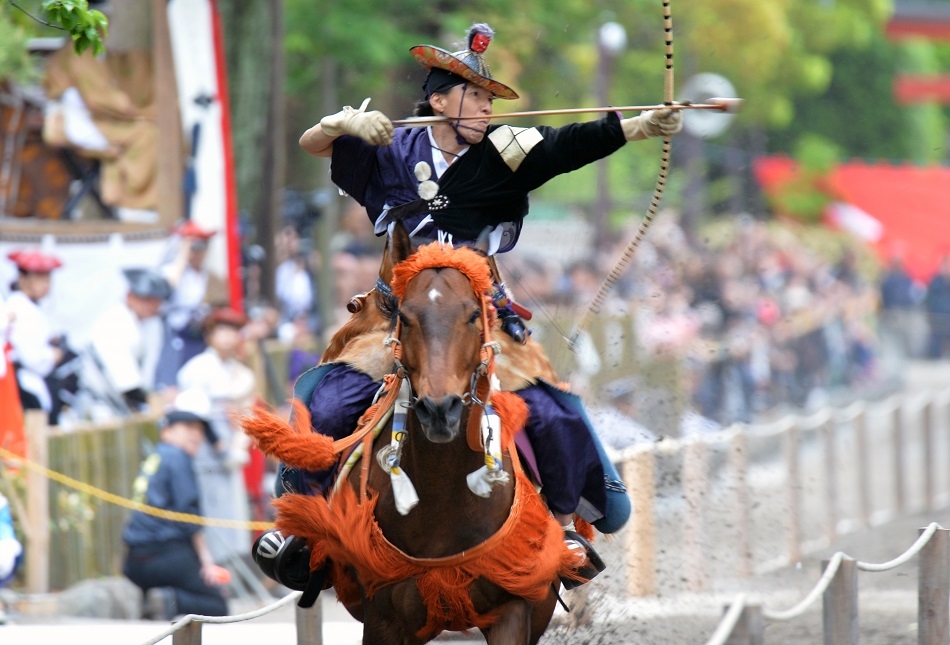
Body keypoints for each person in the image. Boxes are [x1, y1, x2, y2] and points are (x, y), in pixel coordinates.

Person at [255, 23, 683, 589]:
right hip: (396, 318)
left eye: (488, 99)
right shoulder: (391, 147)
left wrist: (638, 127)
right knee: (325, 400)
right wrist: (340, 124)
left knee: (552, 413)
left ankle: (560, 530)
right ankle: (304, 529)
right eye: (475, 96)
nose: (485, 108)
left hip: (478, 318)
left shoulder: (504, 150)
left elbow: (567, 144)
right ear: (439, 101)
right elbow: (314, 144)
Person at [122, 389, 229, 620]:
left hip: (134, 560)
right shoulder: (177, 457)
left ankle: (155, 599)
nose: (196, 435)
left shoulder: (157, 456)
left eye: (200, 429)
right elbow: (188, 515)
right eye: (188, 427)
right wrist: (206, 562)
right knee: (217, 605)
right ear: (167, 431)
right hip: (164, 554)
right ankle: (167, 601)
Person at [177, 307, 256, 567]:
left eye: (233, 331)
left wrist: (238, 447)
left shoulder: (241, 373)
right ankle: (211, 568)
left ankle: (233, 568)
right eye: (221, 330)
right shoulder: (196, 370)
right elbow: (195, 415)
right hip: (204, 453)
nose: (228, 337)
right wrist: (220, 447)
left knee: (233, 512)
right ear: (209, 335)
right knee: (210, 510)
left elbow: (247, 414)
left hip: (231, 453)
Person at [78, 268, 170, 418]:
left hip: (123, 406)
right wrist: (159, 398)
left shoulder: (150, 325)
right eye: (147, 300)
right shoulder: (115, 322)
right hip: (100, 404)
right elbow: (129, 386)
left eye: (157, 301)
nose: (153, 306)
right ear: (130, 297)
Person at [155, 220, 230, 389]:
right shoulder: (172, 270)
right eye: (194, 247)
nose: (197, 252)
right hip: (175, 332)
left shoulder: (209, 276)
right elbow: (168, 288)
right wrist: (183, 253)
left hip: (200, 333)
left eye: (202, 246)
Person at [5, 249, 71, 424]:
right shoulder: (18, 308)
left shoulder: (30, 306)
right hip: (27, 384)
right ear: (23, 278)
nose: (46, 284)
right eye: (40, 278)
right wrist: (53, 355)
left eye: (47, 278)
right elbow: (33, 358)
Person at [925, 256, 950, 360]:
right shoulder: (935, 281)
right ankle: (934, 358)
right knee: (935, 339)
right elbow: (929, 299)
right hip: (937, 316)